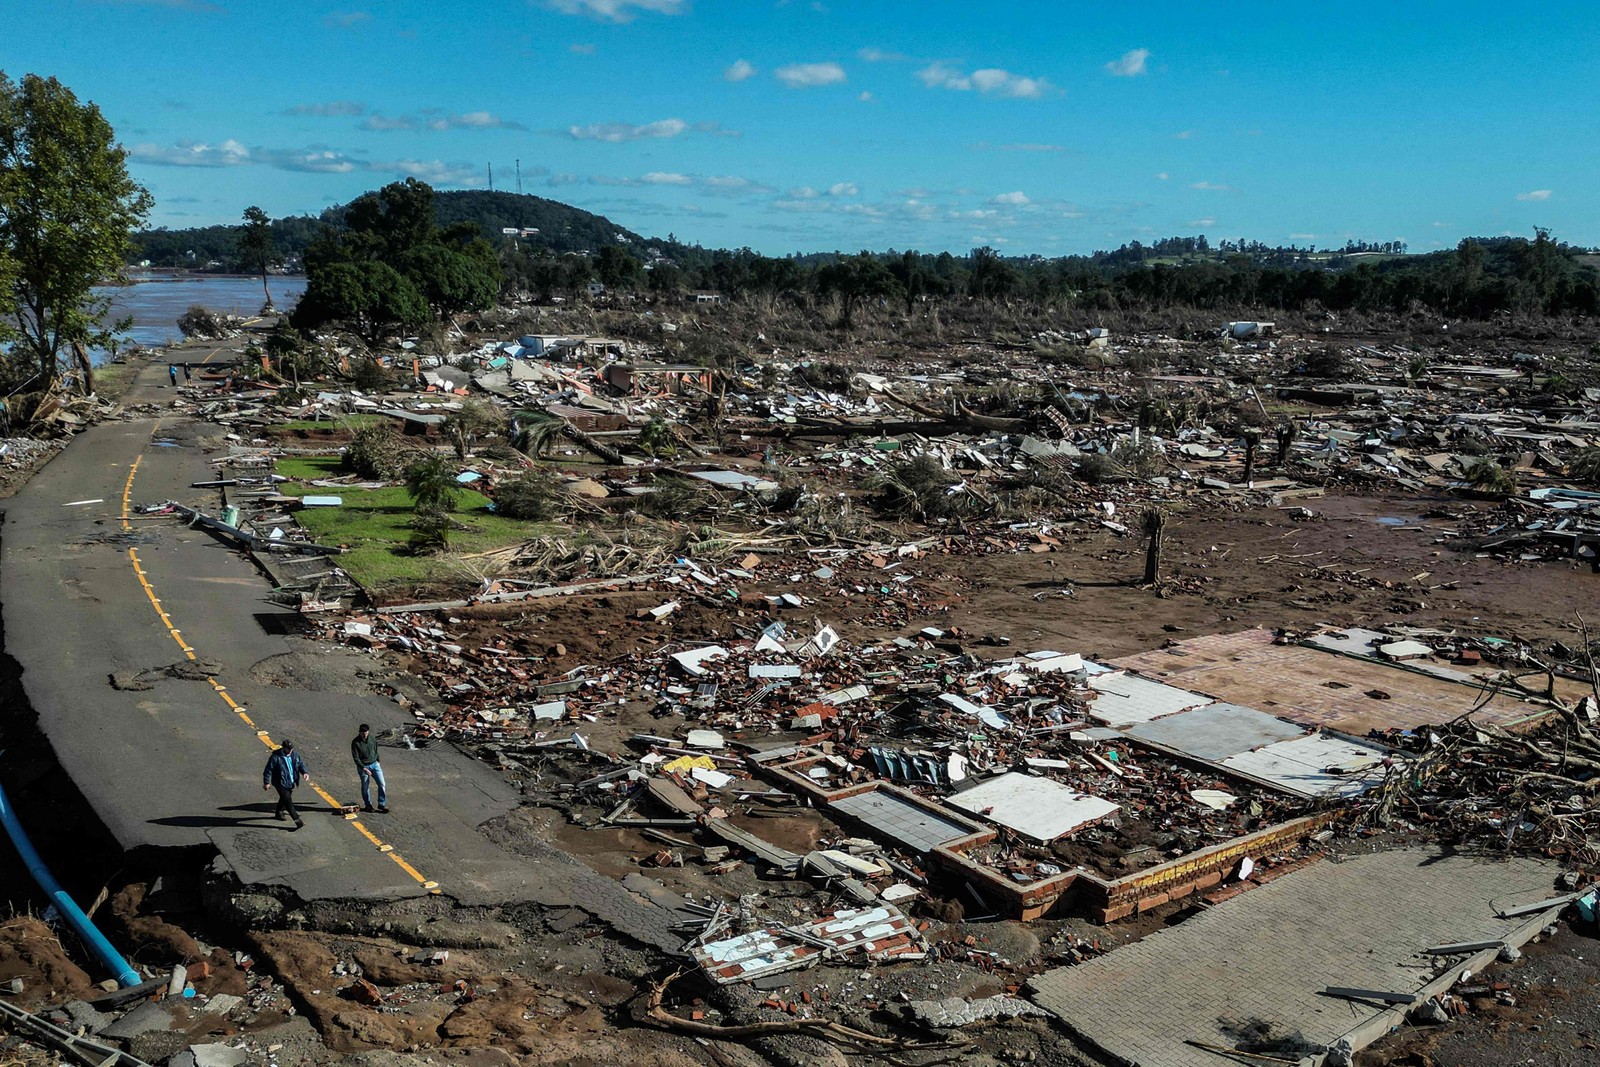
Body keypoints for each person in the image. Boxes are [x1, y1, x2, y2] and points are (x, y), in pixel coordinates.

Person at [262, 740, 310, 830]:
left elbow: (300, 764)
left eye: (291, 749)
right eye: (288, 749)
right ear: (283, 748)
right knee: (288, 802)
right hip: (281, 783)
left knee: (284, 799)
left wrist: (304, 772)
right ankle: (297, 820)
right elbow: (268, 770)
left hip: (291, 782)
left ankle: (279, 812)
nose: (290, 751)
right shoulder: (275, 757)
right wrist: (266, 782)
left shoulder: (294, 755)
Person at [350, 723, 388, 813]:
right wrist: (363, 768)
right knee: (365, 786)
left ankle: (381, 804)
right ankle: (368, 805)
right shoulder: (355, 743)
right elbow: (356, 758)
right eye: (363, 733)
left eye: (366, 733)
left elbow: (375, 749)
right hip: (363, 766)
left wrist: (377, 760)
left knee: (382, 784)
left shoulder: (372, 739)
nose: (365, 735)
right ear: (359, 732)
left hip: (374, 764)